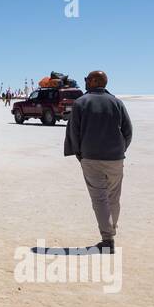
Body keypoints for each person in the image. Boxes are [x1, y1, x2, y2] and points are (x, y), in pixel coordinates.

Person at [64, 70, 133, 253]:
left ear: (95, 81)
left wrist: (80, 154)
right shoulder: (117, 102)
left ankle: (108, 239)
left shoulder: (81, 102)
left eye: (87, 79)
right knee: (113, 197)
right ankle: (111, 231)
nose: (85, 81)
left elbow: (74, 131)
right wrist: (120, 149)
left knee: (100, 199)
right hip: (116, 158)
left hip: (91, 157)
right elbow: (128, 131)